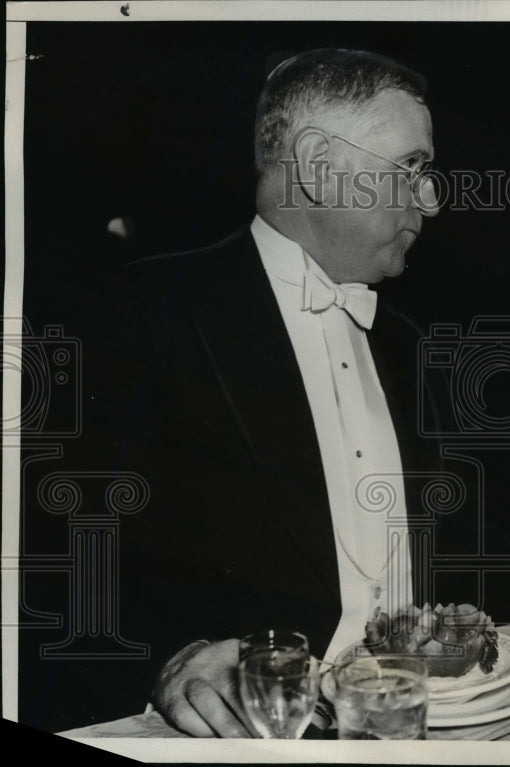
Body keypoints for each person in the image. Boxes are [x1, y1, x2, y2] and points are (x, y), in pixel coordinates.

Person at [19, 48, 446, 736]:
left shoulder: (409, 341)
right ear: (315, 165)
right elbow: (52, 552)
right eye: (411, 169)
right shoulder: (135, 315)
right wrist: (172, 656)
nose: (431, 197)